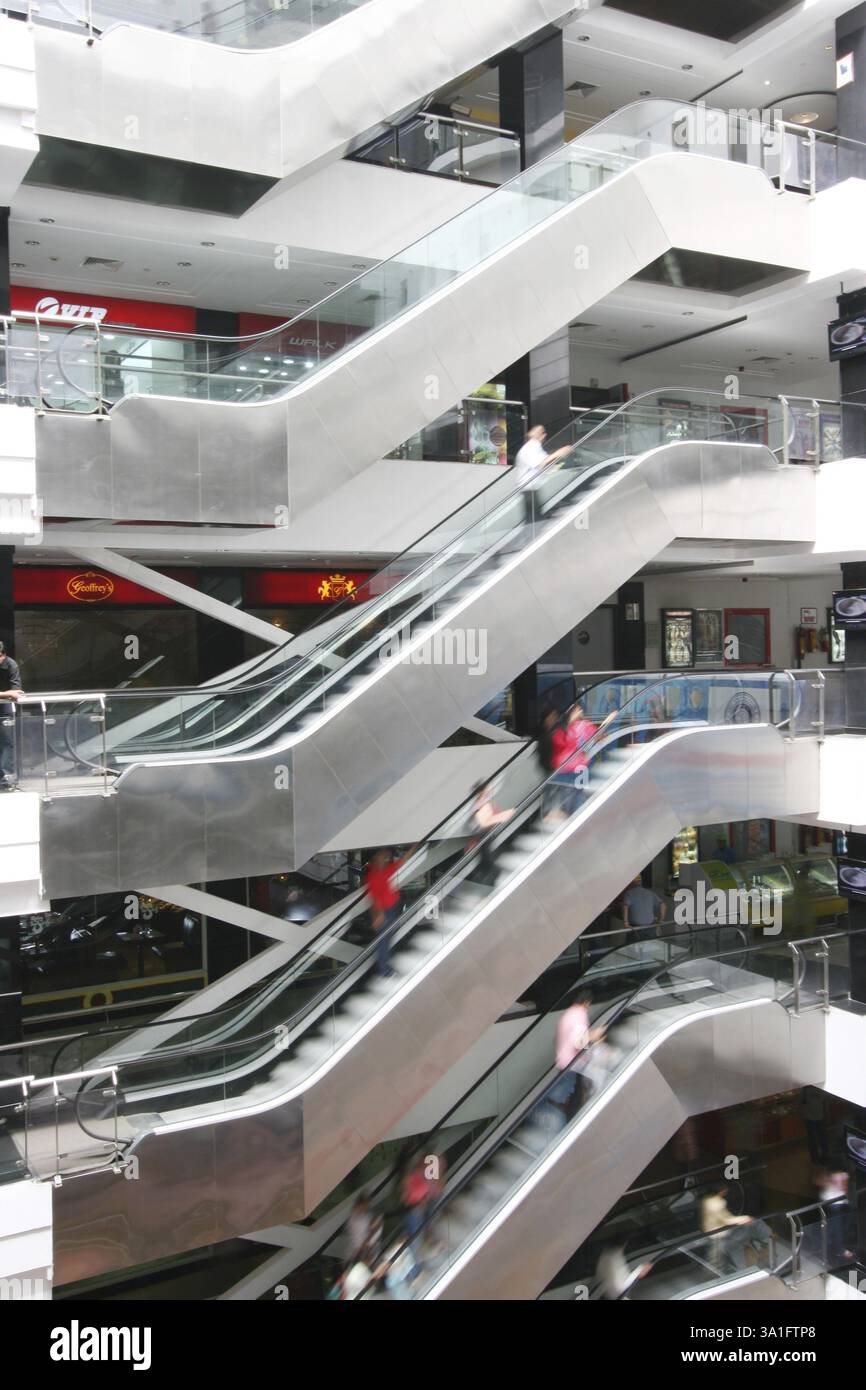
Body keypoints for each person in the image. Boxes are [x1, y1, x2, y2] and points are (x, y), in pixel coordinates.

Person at [548, 991, 605, 1128]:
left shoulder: (567, 1014)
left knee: (557, 1102)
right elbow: (578, 1042)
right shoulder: (579, 1015)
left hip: (562, 1064)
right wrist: (594, 1036)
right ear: (586, 1002)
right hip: (573, 1066)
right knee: (568, 1105)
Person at [363, 843, 416, 978]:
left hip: (391, 909)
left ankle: (385, 968)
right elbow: (373, 897)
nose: (385, 858)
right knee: (384, 942)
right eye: (382, 856)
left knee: (387, 940)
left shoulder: (385, 870)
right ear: (375, 858)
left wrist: (413, 847)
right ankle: (384, 971)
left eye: (385, 856)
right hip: (383, 912)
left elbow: (402, 862)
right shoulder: (372, 875)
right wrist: (377, 915)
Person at [513, 425, 572, 527]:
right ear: (540, 435)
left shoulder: (533, 447)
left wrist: (556, 459)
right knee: (534, 522)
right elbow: (541, 464)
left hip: (531, 488)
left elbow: (545, 464)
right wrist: (558, 453)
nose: (545, 435)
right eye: (542, 432)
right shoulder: (531, 447)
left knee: (534, 520)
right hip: (529, 489)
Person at [467, 780, 514, 886]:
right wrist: (502, 816)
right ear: (480, 792)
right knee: (486, 857)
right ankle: (492, 876)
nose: (489, 790)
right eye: (486, 789)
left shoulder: (484, 802)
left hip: (486, 833)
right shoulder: (479, 805)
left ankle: (488, 877)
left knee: (485, 857)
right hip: (483, 833)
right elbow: (484, 822)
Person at [0, 642, 22, 790]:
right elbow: (11, 693)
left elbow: (17, 692)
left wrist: (9, 695)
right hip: (4, 701)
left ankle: (6, 778)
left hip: (5, 709)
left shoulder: (11, 665)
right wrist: (6, 694)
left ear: (2, 655)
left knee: (7, 743)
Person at [622, 873, 667, 941]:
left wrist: (625, 922)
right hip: (650, 928)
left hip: (635, 929)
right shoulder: (649, 892)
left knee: (631, 950)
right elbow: (663, 905)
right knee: (649, 948)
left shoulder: (629, 893)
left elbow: (625, 907)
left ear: (631, 882)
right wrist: (660, 920)